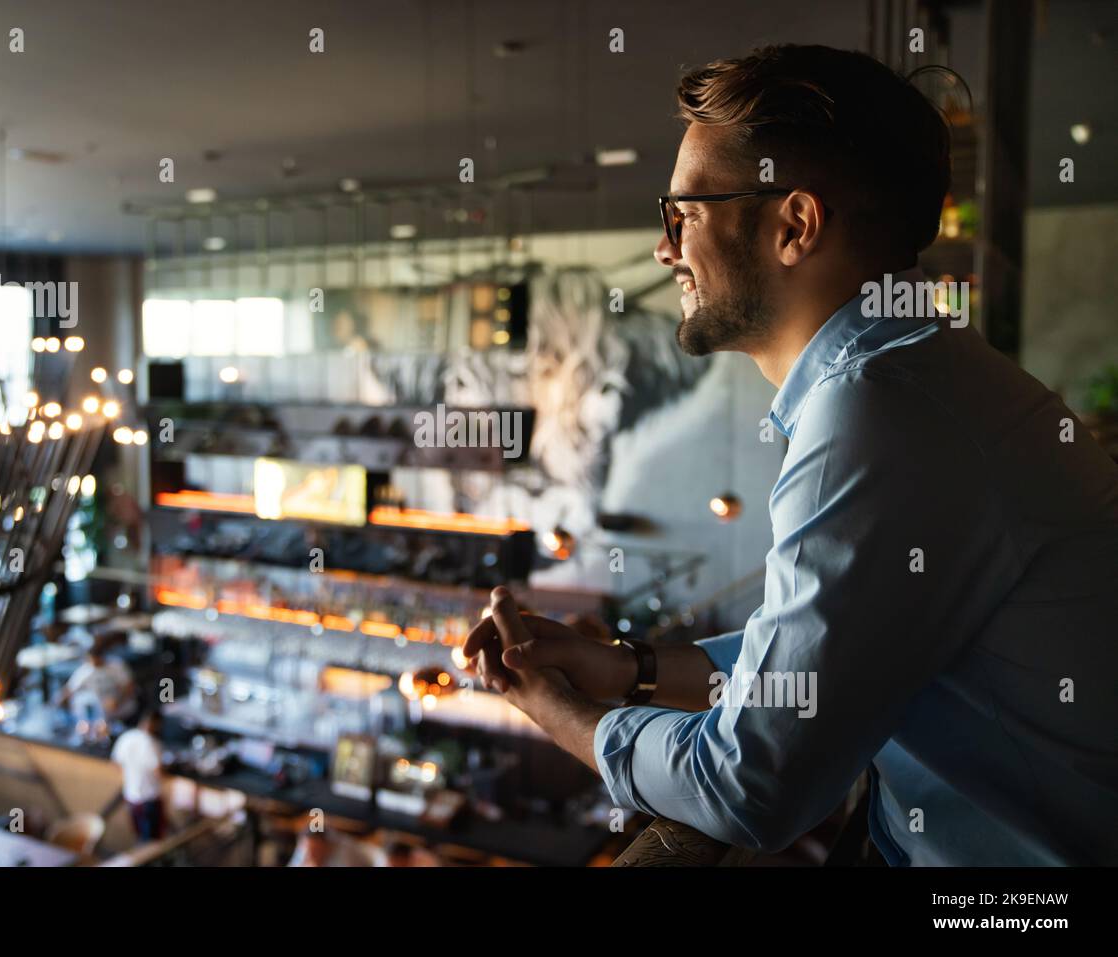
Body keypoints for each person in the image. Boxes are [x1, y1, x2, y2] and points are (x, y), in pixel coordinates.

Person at [465, 44, 1118, 866]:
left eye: (682, 215)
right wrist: (621, 665)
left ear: (795, 226)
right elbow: (817, 660)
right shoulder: (912, 373)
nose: (666, 250)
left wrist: (555, 710)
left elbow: (751, 786)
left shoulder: (881, 412)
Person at [56, 639, 137, 736]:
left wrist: (118, 701)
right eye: (91, 659)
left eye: (97, 659)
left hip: (122, 707)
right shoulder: (85, 670)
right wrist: (61, 702)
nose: (94, 663)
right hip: (99, 712)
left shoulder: (116, 665)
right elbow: (68, 691)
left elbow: (130, 687)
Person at [111, 710, 166, 842]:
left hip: (131, 796)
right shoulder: (152, 743)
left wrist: (130, 776)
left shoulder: (126, 737)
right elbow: (158, 772)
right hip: (150, 798)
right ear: (156, 724)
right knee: (153, 840)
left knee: (140, 836)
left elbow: (115, 763)